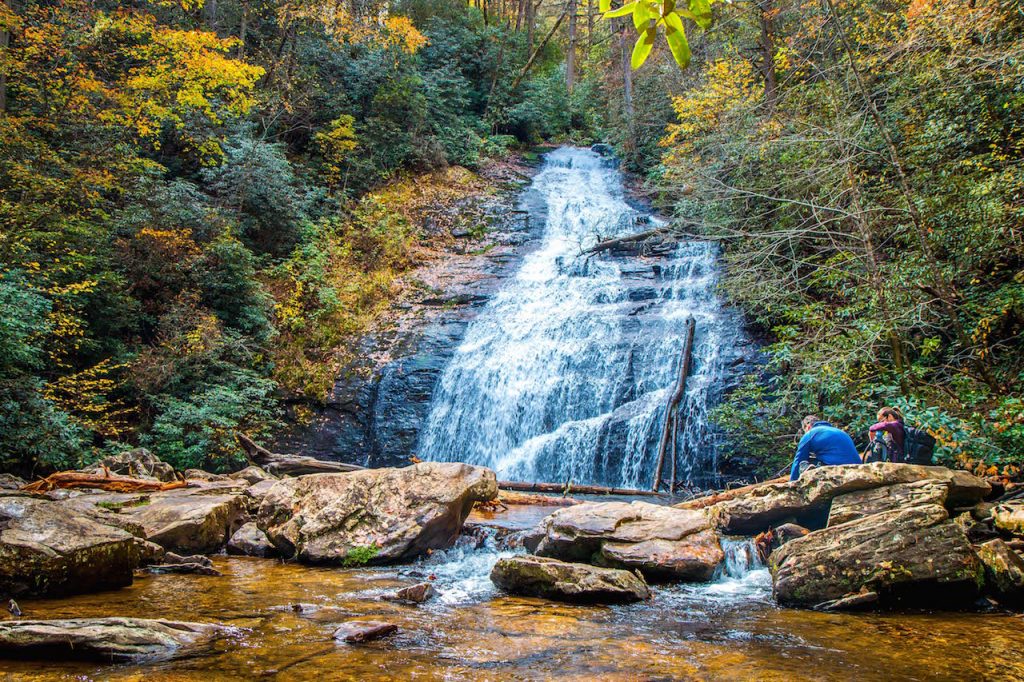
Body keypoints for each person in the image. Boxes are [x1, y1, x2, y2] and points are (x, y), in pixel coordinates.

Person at [789, 414, 861, 481]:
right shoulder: (840, 431)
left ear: (808, 427)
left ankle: (813, 472)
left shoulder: (810, 433)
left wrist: (792, 482)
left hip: (835, 467)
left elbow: (798, 460)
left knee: (803, 464)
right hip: (857, 467)